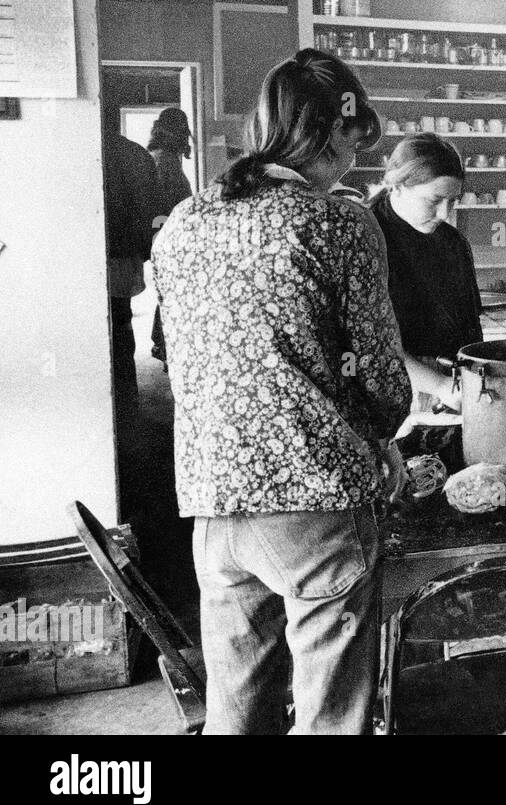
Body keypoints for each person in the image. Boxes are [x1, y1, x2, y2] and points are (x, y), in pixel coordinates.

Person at [151, 48, 422, 734]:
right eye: (354, 141)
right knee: (330, 716)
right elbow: (386, 379)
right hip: (314, 500)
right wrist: (381, 438)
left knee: (237, 710)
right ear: (331, 130)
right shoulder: (338, 223)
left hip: (213, 498)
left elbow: (180, 354)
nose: (355, 160)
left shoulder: (185, 220)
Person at [369, 133, 482, 370]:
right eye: (434, 200)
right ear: (398, 186)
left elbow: (470, 330)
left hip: (452, 383)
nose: (444, 214)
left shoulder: (454, 243)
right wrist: (437, 385)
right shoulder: (364, 238)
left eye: (453, 201)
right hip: (390, 381)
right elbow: (368, 342)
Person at [102, 126, 159, 435]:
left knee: (107, 338)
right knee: (122, 333)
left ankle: (114, 416)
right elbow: (150, 211)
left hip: (90, 255)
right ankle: (127, 413)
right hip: (122, 255)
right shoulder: (135, 155)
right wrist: (142, 249)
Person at [146, 107, 194, 366]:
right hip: (169, 238)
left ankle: (163, 347)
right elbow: (165, 207)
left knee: (168, 295)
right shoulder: (164, 161)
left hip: (164, 237)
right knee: (173, 296)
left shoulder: (163, 157)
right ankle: (166, 350)